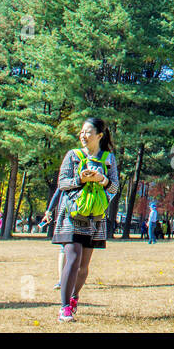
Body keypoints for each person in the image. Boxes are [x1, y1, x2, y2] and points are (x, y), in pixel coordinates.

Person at [51, 116, 119, 323]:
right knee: (73, 256)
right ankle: (64, 308)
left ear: (99, 135)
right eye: (82, 132)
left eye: (88, 132)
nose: (83, 135)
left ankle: (74, 296)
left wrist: (102, 179)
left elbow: (115, 188)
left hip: (95, 216)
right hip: (71, 213)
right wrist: (80, 179)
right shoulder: (73, 155)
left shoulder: (109, 159)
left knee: (83, 265)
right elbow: (62, 183)